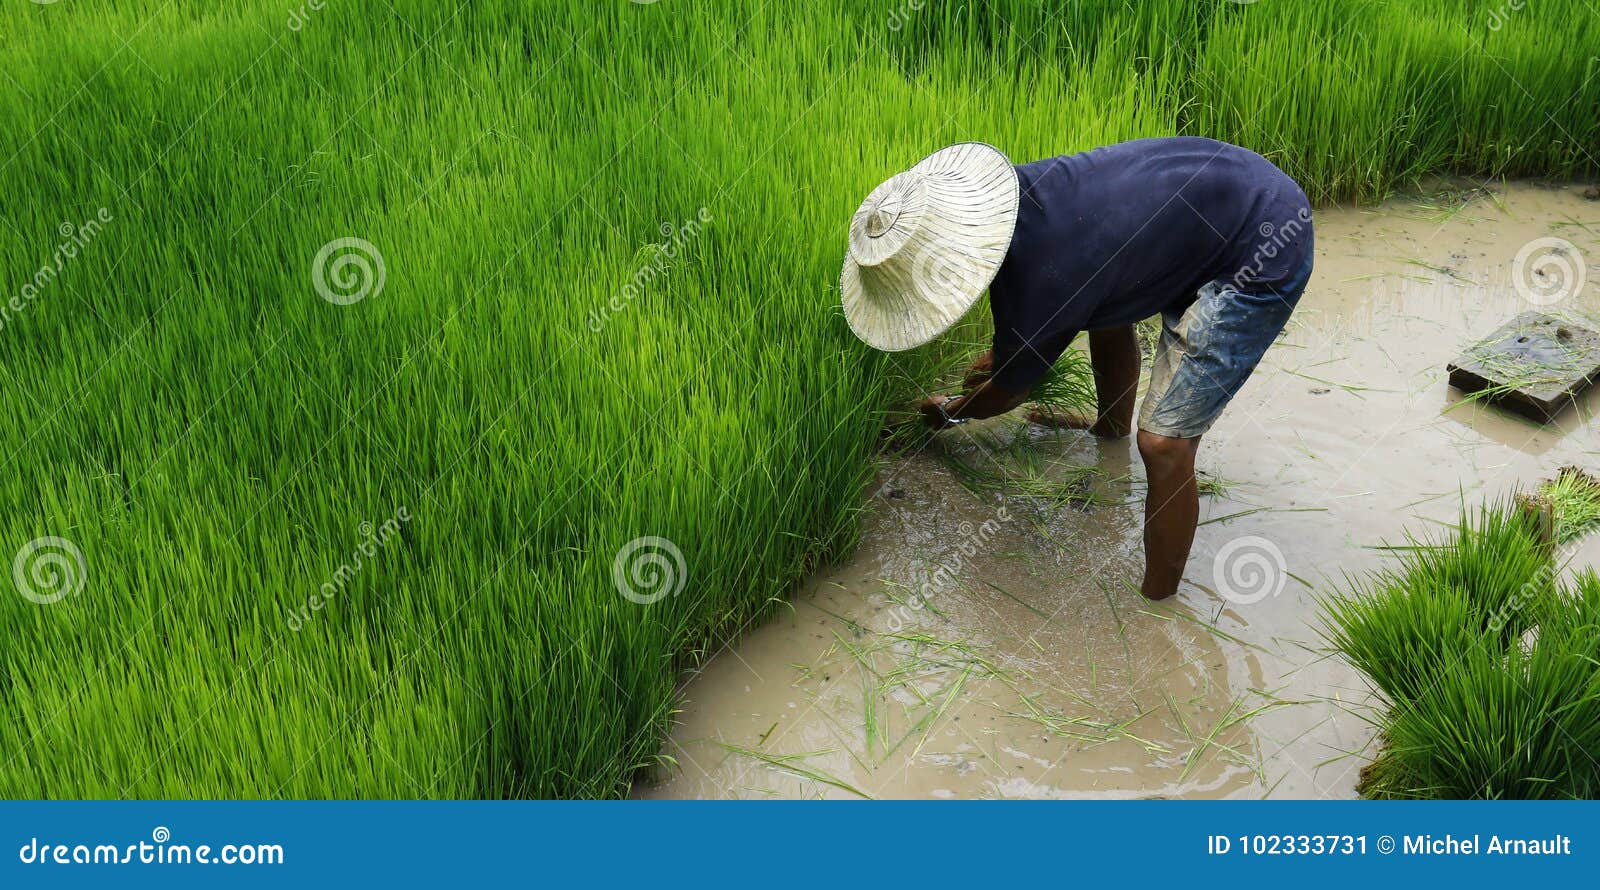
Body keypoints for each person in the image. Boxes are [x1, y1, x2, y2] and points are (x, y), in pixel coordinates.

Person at [838, 137, 1314, 600]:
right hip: (1231, 188)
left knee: (1164, 444)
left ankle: (1159, 605)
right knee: (1105, 302)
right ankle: (1109, 429)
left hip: (1262, 247)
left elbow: (1006, 394)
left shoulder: (1042, 276)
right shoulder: (1025, 196)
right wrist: (1010, 355)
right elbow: (1080, 281)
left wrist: (953, 411)